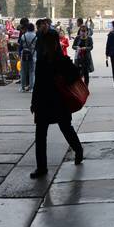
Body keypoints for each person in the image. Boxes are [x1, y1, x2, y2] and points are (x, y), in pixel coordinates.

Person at [29, 29, 84, 177]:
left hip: (60, 100)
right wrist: (34, 102)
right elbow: (37, 85)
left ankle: (78, 149)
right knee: (40, 135)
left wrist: (62, 78)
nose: (46, 45)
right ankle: (41, 167)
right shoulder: (41, 62)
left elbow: (75, 76)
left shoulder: (63, 61)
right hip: (43, 102)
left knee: (66, 128)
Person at [18, 19, 37, 92]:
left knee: (23, 72)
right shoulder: (35, 36)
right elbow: (37, 47)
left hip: (24, 55)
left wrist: (19, 54)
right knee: (32, 72)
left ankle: (22, 88)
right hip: (33, 56)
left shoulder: (23, 36)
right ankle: (31, 88)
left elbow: (20, 46)